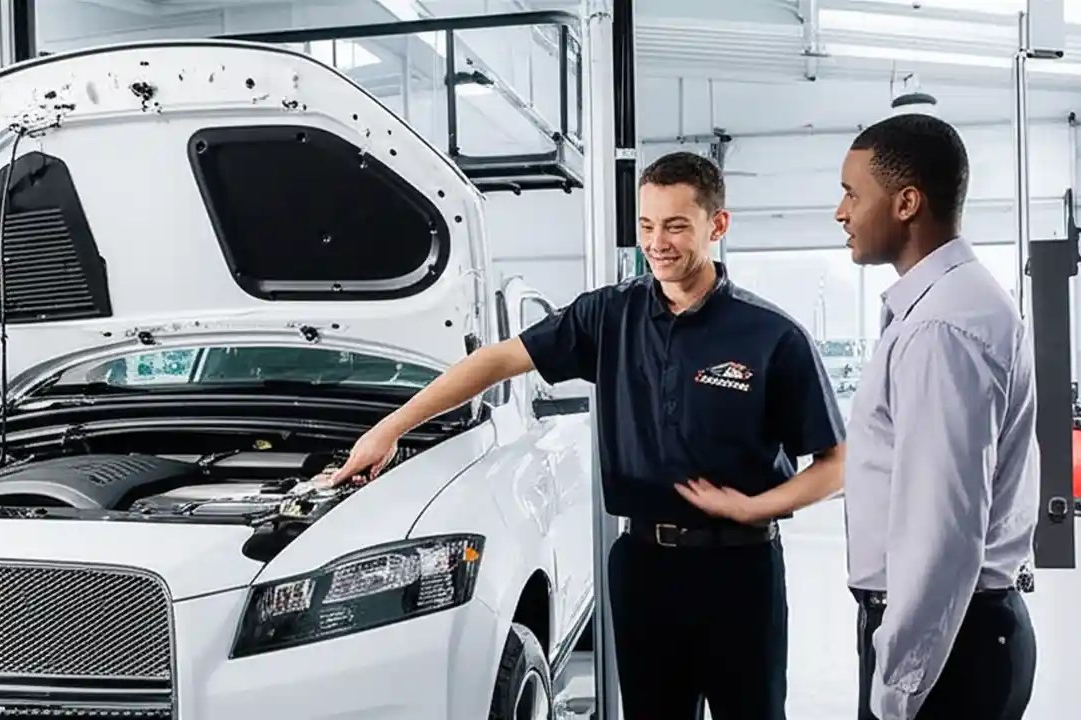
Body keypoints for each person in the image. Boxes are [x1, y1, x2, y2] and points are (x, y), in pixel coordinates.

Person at [326, 151, 847, 719]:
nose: (657, 242)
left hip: (740, 571)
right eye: (646, 226)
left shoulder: (772, 336)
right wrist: (389, 428)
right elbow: (497, 361)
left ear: (716, 226)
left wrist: (756, 507)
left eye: (676, 225)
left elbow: (836, 461)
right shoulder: (609, 315)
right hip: (642, 566)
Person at [834, 113, 1040, 720]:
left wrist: (898, 691)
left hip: (948, 651)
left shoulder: (939, 328)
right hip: (961, 632)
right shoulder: (949, 305)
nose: (841, 213)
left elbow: (941, 533)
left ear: (907, 202)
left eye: (852, 193)